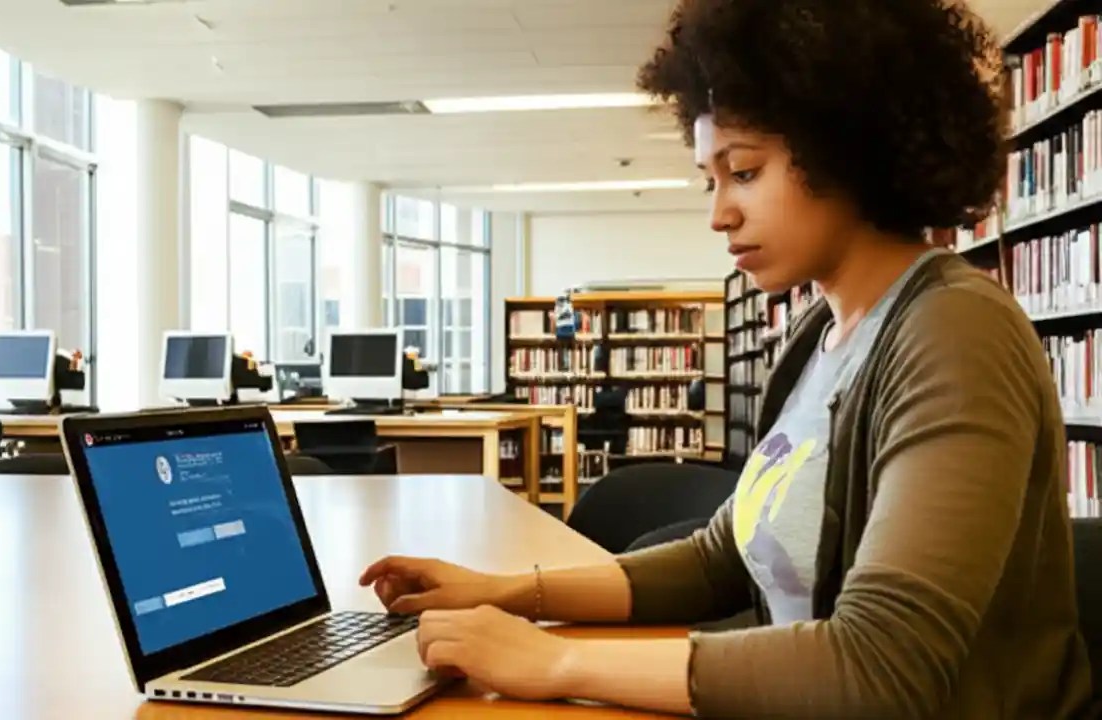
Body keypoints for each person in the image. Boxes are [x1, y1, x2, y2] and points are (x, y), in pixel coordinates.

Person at [358, 0, 1096, 717]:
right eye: (712, 179)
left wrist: (555, 661)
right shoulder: (815, 338)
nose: (719, 214)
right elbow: (722, 558)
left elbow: (884, 667)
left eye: (744, 171)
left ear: (848, 148)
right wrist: (505, 593)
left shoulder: (954, 330)